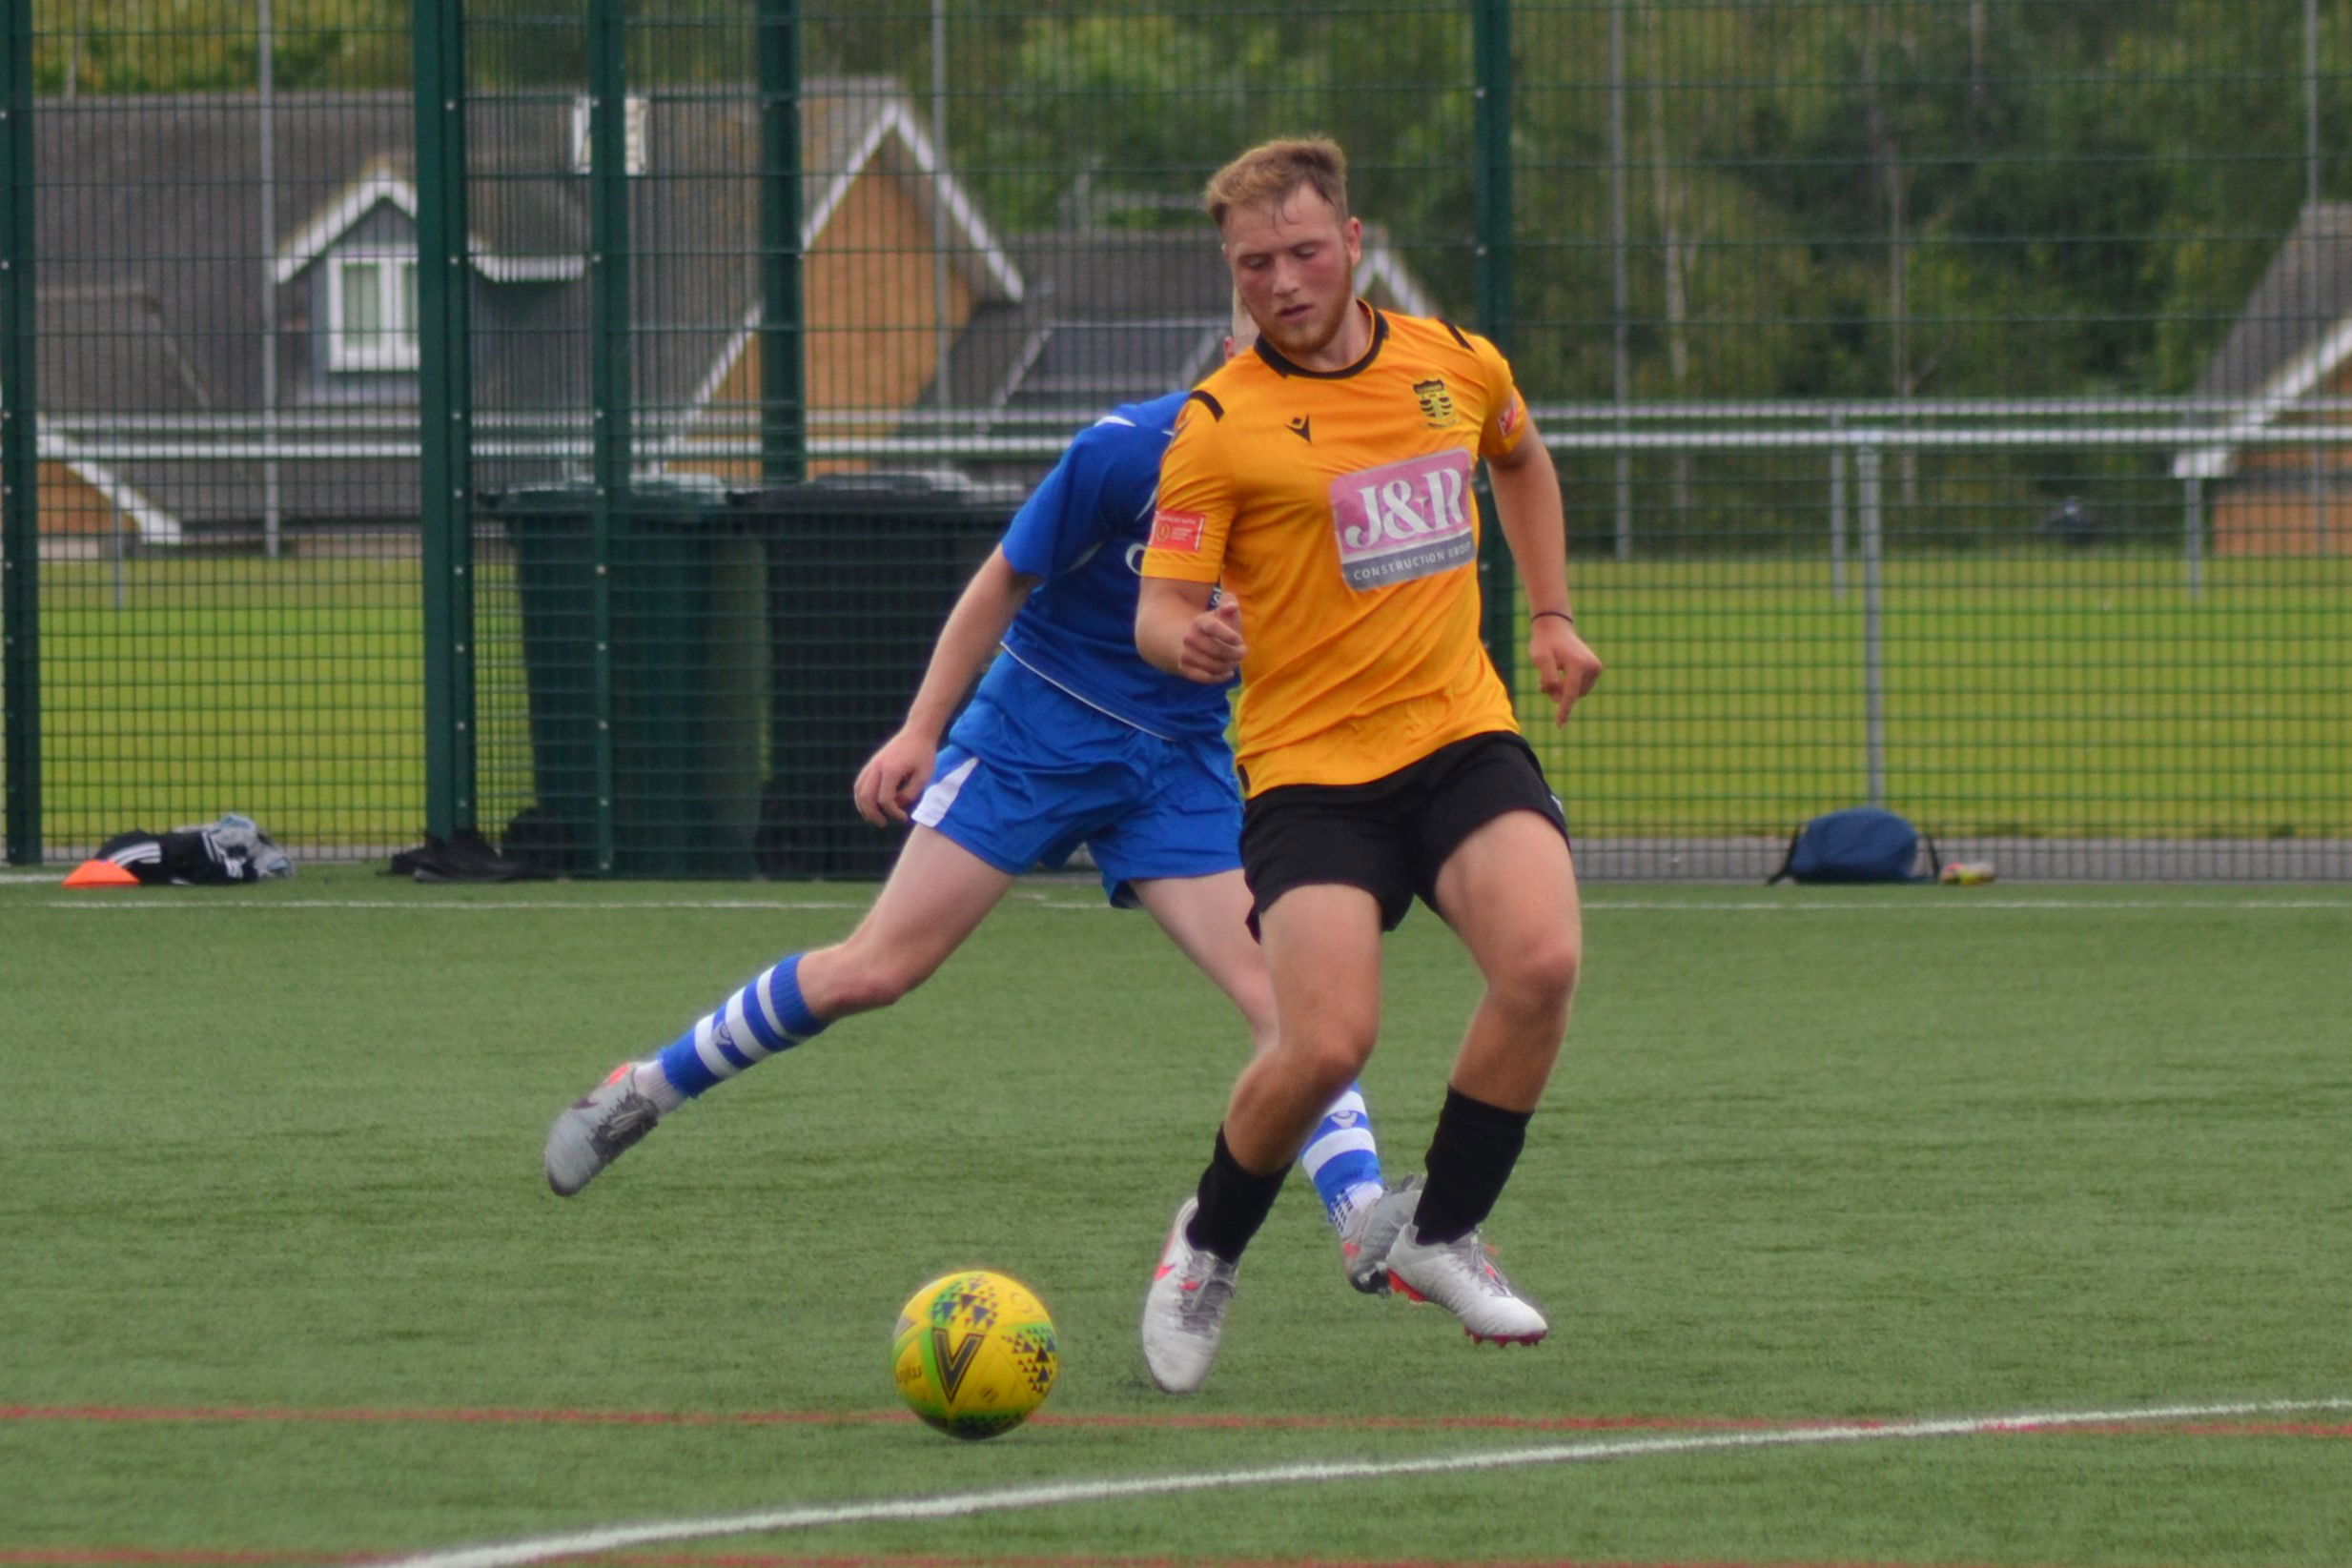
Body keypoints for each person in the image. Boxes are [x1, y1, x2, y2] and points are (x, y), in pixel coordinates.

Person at [542, 375, 1421, 1293]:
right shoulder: (1128, 448)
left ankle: (1358, 1213)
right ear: (1235, 337)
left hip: (1178, 760)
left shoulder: (1327, 471)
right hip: (1034, 731)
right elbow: (1005, 576)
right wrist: (922, 729)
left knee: (1286, 1000)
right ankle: (644, 1088)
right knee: (876, 968)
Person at [1134, 136, 1604, 1394]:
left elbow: (1519, 455)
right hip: (1308, 767)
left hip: (1456, 732)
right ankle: (1208, 1241)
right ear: (1229, 275)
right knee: (1326, 1043)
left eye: (1300, 251)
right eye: (1251, 264)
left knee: (1542, 959)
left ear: (1351, 242)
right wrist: (1196, 637)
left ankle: (1435, 1232)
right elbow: (1159, 608)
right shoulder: (1218, 425)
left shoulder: (1455, 365)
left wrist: (1549, 615)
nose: (1280, 281)